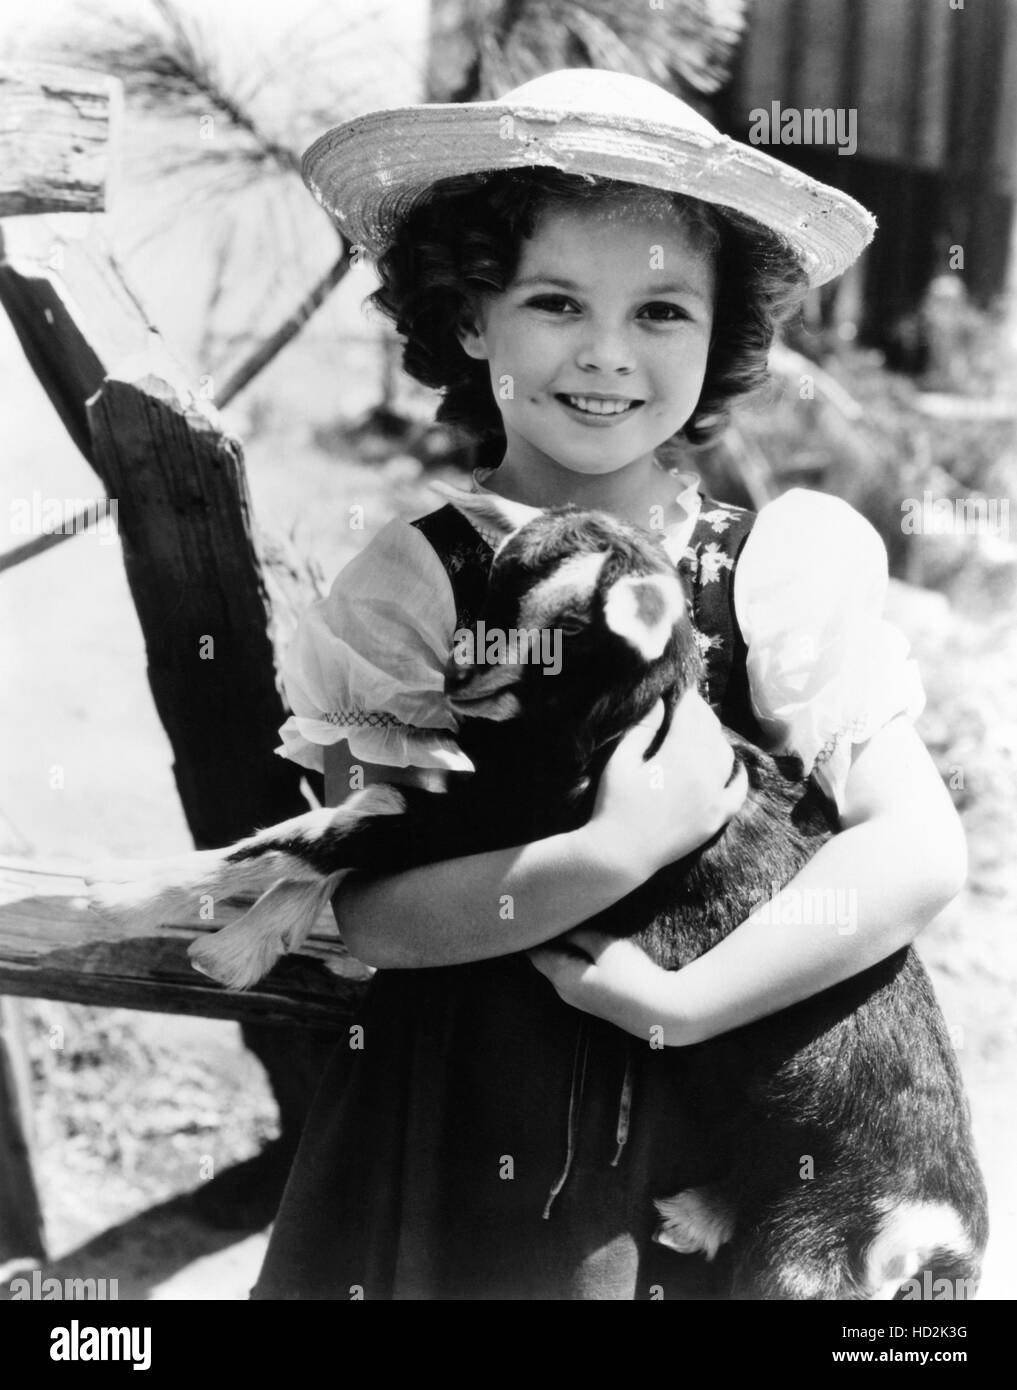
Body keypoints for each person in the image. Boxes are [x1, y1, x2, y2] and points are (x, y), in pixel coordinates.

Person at [252, 69, 967, 1300]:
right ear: (471, 317)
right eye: (553, 301)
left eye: (660, 313)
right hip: (473, 1146)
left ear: (720, 329)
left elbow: (913, 852)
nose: (605, 355)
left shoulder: (767, 572)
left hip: (730, 1143)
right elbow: (363, 909)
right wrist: (609, 855)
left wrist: (683, 1002)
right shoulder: (413, 586)